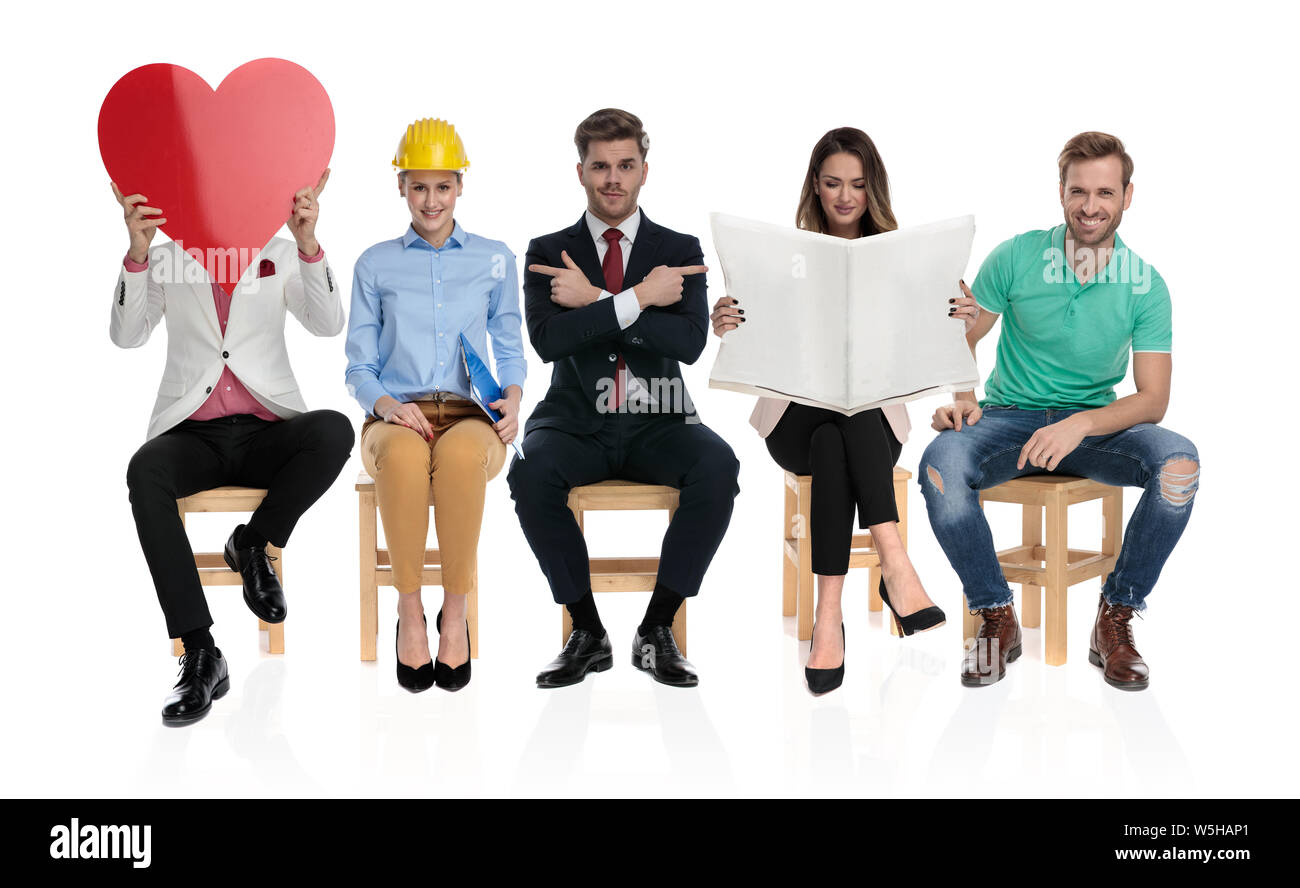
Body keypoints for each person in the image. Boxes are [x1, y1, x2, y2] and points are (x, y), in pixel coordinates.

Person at [920, 131, 1198, 690]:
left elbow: (1153, 399)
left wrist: (1081, 424)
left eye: (1105, 192)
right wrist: (962, 400)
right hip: (1008, 419)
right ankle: (996, 617)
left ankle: (1114, 618)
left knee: (1179, 465)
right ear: (1062, 192)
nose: (1090, 206)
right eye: (1079, 191)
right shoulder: (1017, 256)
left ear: (1127, 195)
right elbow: (961, 340)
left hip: (1096, 428)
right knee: (940, 465)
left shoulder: (1146, 286)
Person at [709, 127, 969, 695]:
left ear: (871, 187)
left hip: (872, 425)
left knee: (842, 428)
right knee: (830, 423)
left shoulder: (900, 260)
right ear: (816, 187)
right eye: (832, 184)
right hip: (792, 421)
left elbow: (932, 339)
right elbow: (757, 331)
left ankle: (828, 620)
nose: (845, 196)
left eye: (856, 184)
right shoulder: (790, 259)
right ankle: (895, 565)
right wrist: (726, 320)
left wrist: (956, 315)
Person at [509, 108, 740, 689]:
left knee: (719, 467)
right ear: (581, 172)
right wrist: (637, 299)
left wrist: (593, 302)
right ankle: (587, 630)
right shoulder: (547, 250)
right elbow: (547, 340)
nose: (613, 178)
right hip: (573, 418)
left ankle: (656, 627)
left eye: (625, 166)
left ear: (643, 171)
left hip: (659, 416)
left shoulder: (680, 248)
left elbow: (687, 343)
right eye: (601, 166)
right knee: (530, 473)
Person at [111, 170, 353, 726]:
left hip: (268, 428)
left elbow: (328, 322)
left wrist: (310, 244)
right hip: (191, 432)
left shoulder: (281, 250)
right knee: (144, 471)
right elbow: (127, 335)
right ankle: (201, 653)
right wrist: (138, 251)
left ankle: (253, 543)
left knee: (335, 429)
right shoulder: (167, 254)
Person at [346, 118, 524, 693]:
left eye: (442, 186)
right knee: (401, 458)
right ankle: (411, 612)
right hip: (394, 413)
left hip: (470, 414)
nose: (431, 200)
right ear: (401, 187)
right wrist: (387, 405)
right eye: (418, 186)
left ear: (460, 187)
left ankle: (455, 612)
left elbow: (508, 342)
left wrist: (515, 397)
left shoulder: (495, 259)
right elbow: (358, 365)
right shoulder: (375, 264)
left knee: (461, 455)